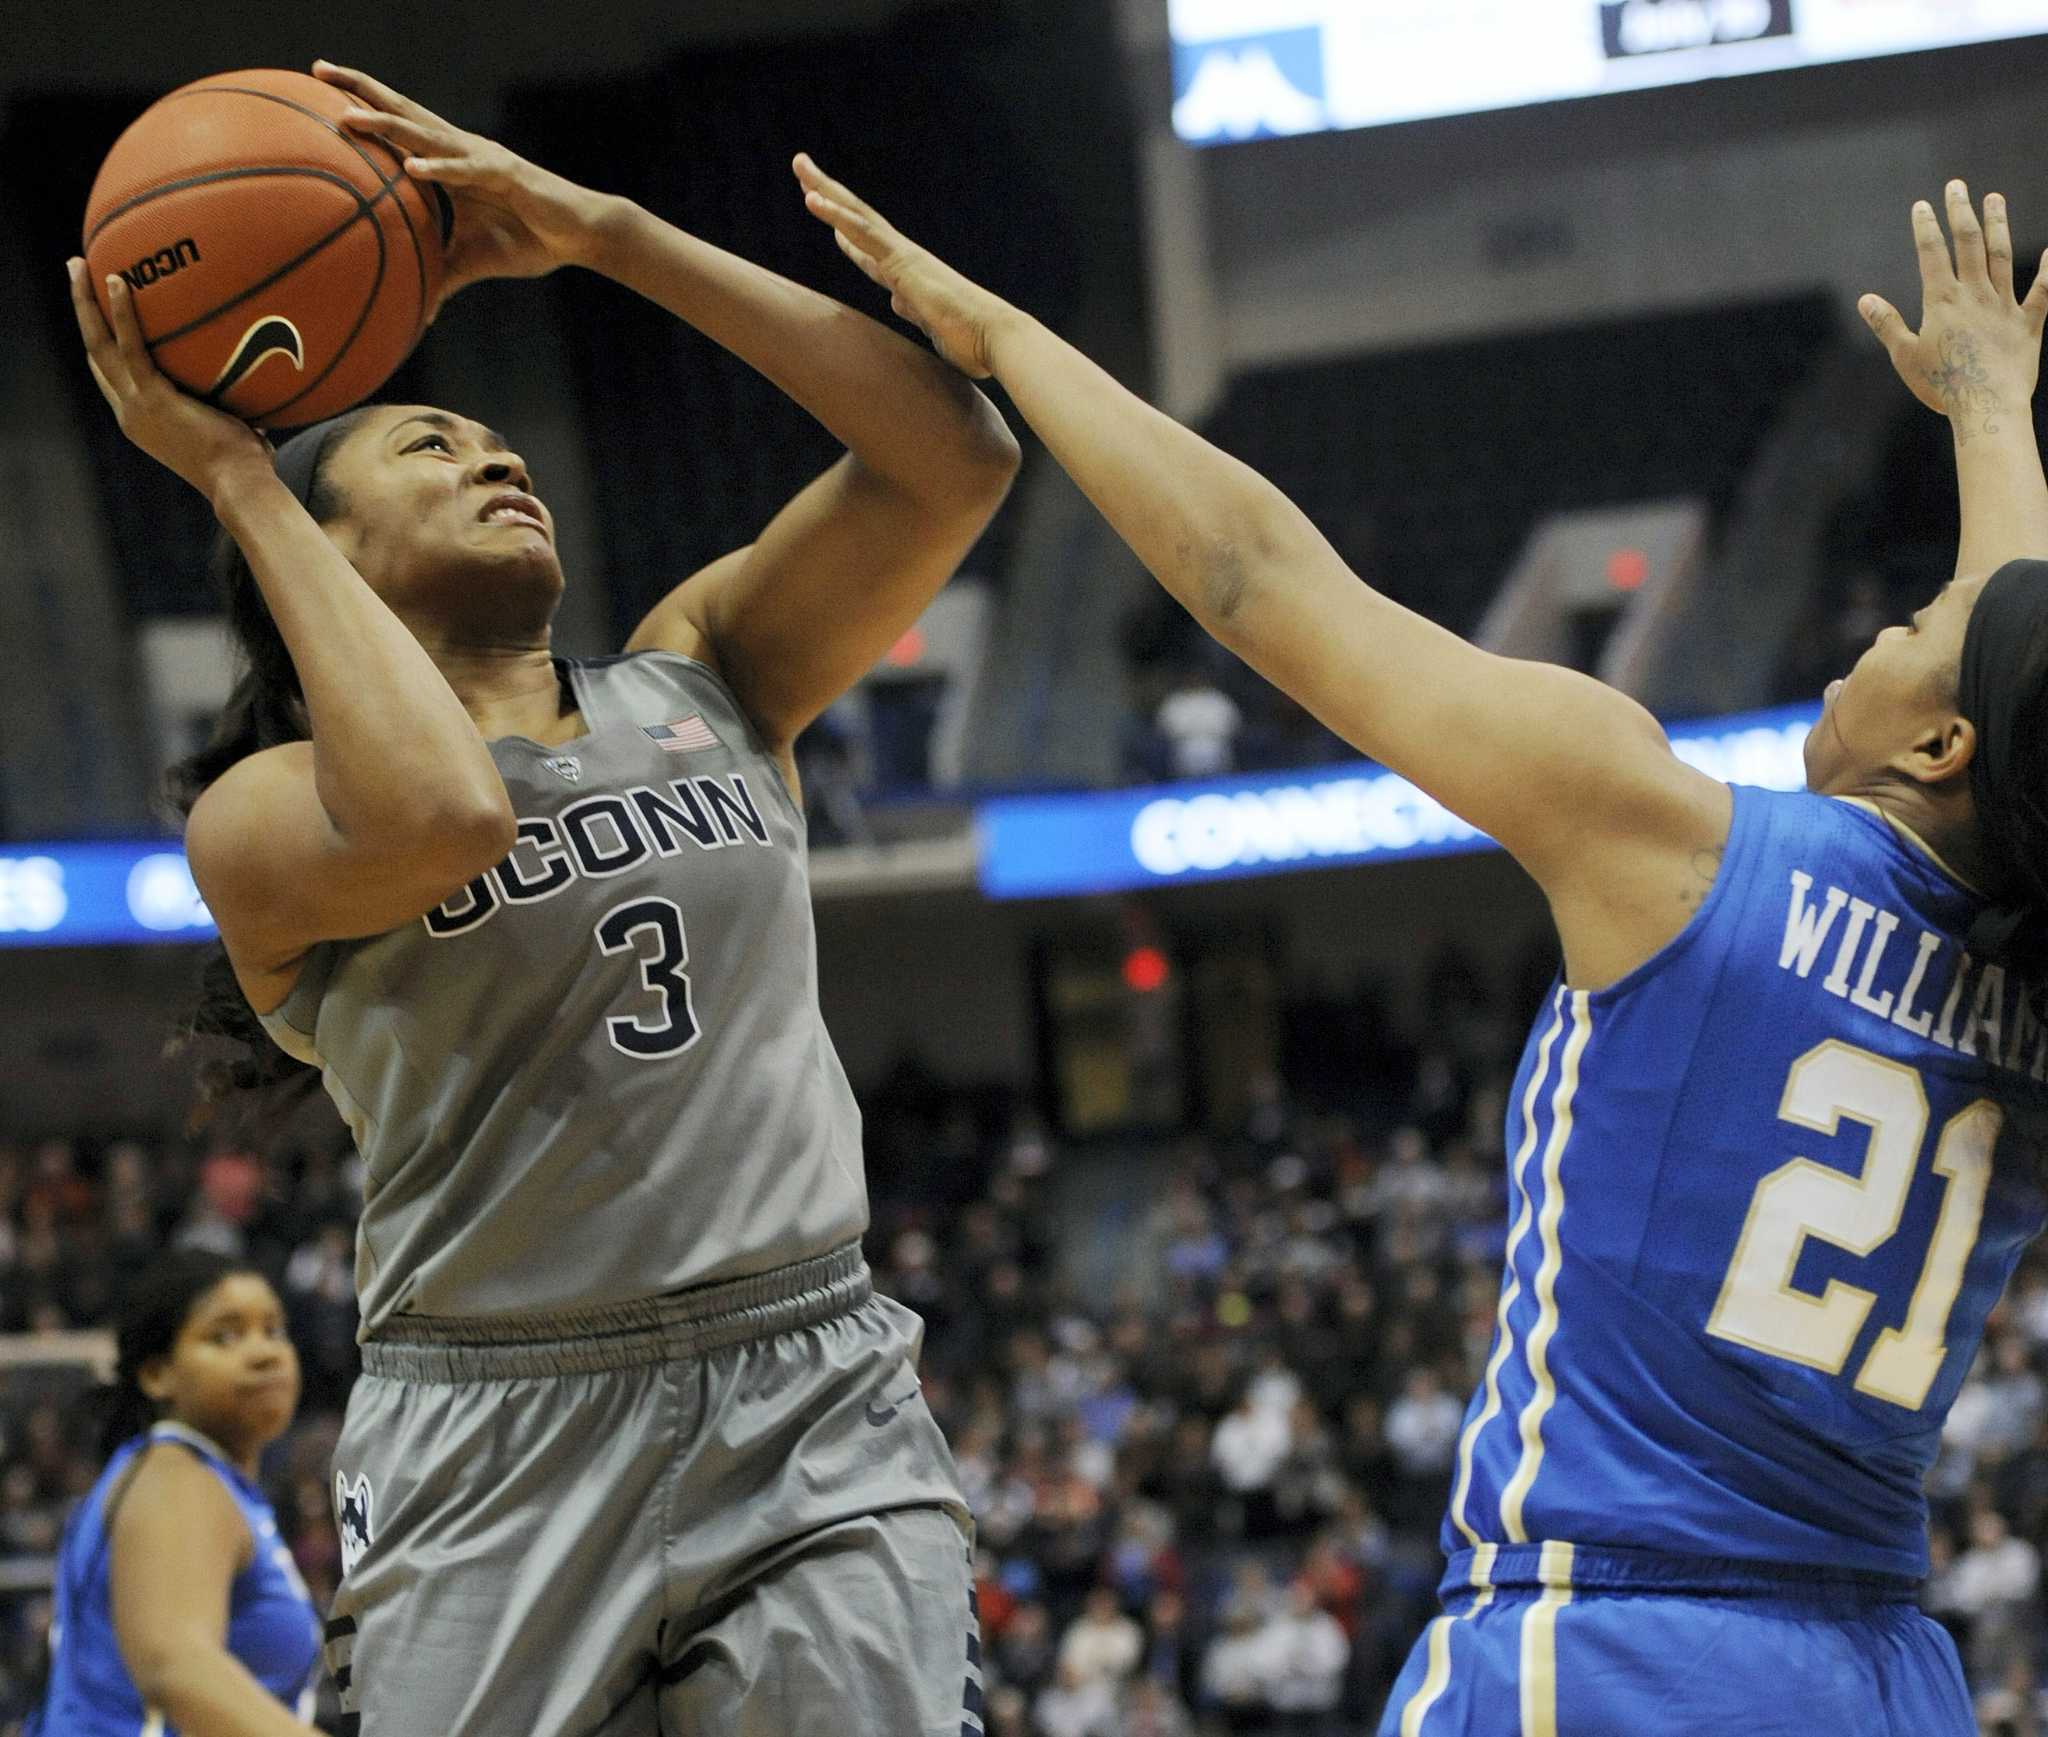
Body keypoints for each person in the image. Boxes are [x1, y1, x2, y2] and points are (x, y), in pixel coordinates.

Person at [797, 158, 2048, 1734]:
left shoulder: (1675, 841)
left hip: (1609, 1647)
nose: (1882, 626)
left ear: (1941, 746)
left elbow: (1261, 582)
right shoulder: (2032, 980)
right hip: (1885, 1673)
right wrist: (1993, 414)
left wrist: (1012, 343)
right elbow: (2020, 678)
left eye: (1912, 630)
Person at [69, 59, 1017, 1736]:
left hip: (809, 1382)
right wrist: (229, 474)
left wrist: (608, 235)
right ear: (325, 564)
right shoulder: (263, 816)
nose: (493, 454)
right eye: (431, 445)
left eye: (498, 436)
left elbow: (950, 450)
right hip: (495, 1431)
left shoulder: (703, 667)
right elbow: (440, 811)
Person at [29, 1251, 320, 1735]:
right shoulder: (177, 1478)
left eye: (274, 1330)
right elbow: (176, 1666)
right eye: (225, 1335)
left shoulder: (189, 1477)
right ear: (157, 1373)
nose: (265, 1352)